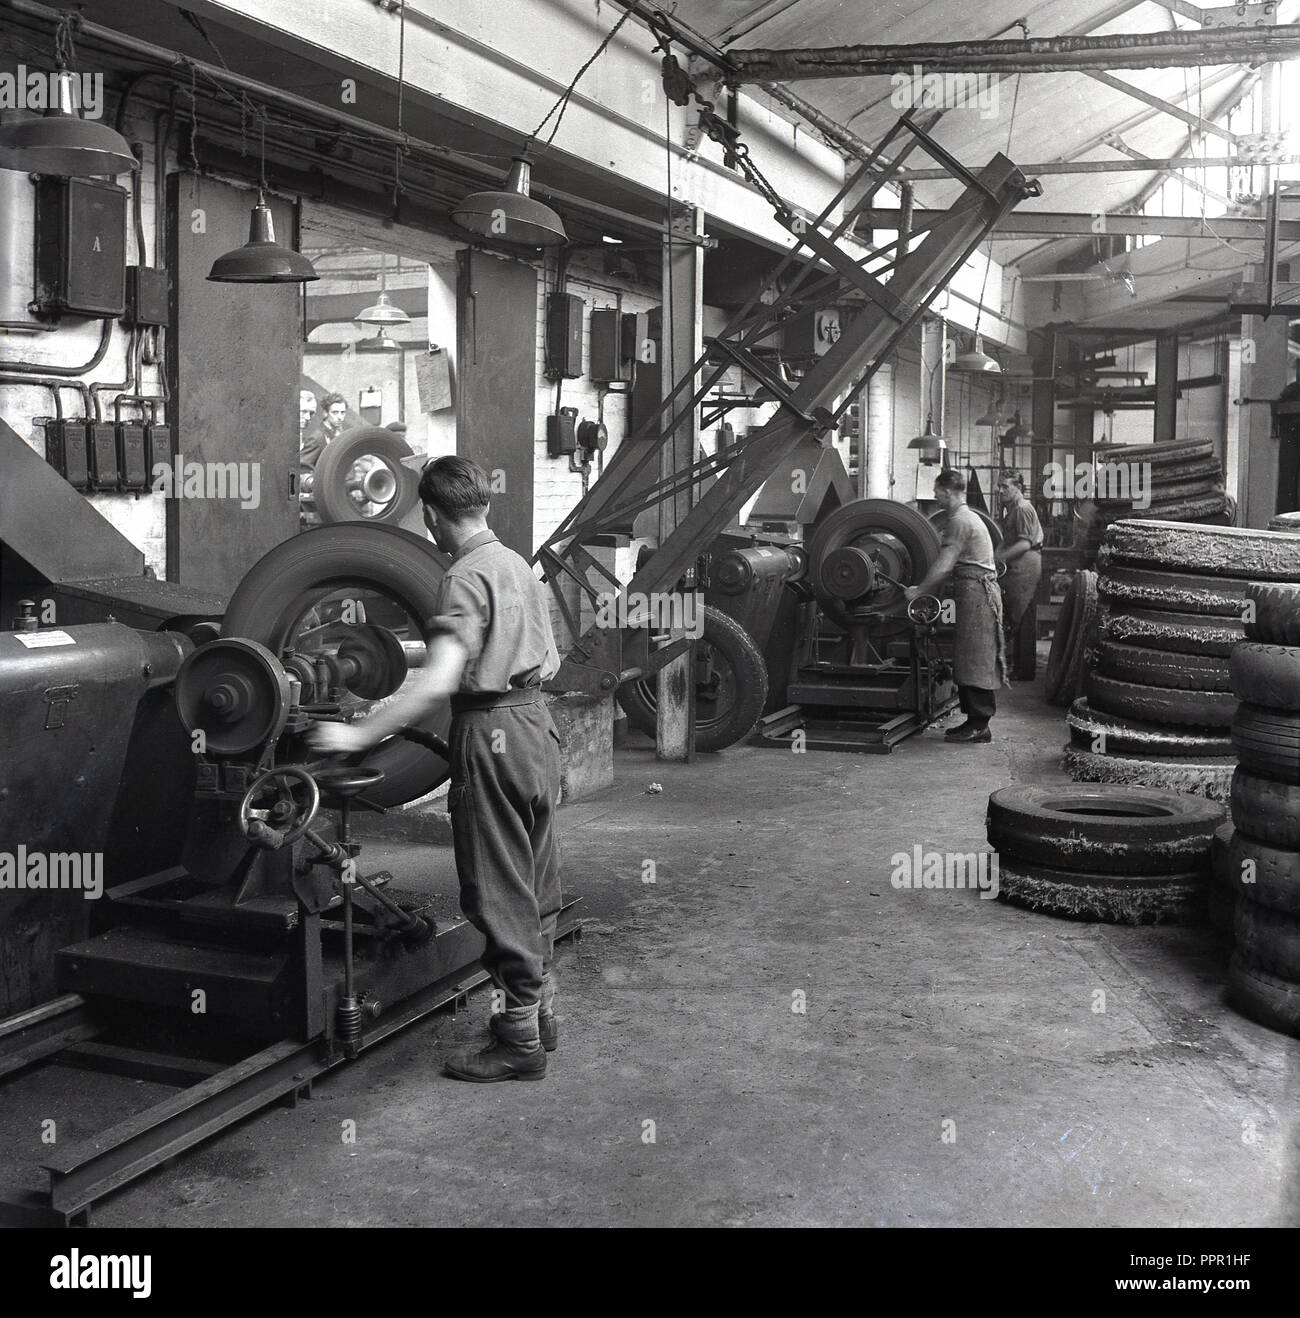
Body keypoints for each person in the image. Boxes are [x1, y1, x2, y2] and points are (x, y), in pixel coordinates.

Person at [308, 456, 564, 1082]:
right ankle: (543, 1011)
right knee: (534, 877)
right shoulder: (518, 567)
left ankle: (519, 1040)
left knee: (496, 887)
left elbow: (438, 684)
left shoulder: (464, 576)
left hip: (492, 732)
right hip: (538, 726)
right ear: (483, 505)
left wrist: (357, 731)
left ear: (430, 515)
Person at [905, 467, 1008, 743]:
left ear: (948, 492)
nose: (935, 497)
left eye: (937, 492)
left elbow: (944, 564)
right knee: (970, 656)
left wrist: (919, 590)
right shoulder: (967, 517)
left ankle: (979, 726)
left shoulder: (960, 520)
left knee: (976, 657)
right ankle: (974, 722)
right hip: (973, 592)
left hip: (977, 594)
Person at [994, 469, 1044, 680]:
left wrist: (1000, 557)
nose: (1000, 490)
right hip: (1019, 564)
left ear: (1019, 488)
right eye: (1000, 486)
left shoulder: (1023, 509)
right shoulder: (1012, 509)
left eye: (1005, 486)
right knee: (1017, 615)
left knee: (1023, 616)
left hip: (1027, 564)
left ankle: (1024, 671)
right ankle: (1020, 666)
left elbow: (1024, 543)